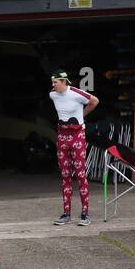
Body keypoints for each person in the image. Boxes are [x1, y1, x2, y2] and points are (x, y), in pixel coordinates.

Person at [48, 72, 99, 227]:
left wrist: (82, 114)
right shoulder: (53, 95)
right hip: (62, 136)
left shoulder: (76, 93)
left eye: (55, 82)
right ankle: (67, 213)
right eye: (52, 82)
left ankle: (85, 213)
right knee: (65, 175)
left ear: (63, 82)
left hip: (77, 136)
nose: (53, 85)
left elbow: (95, 101)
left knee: (80, 174)